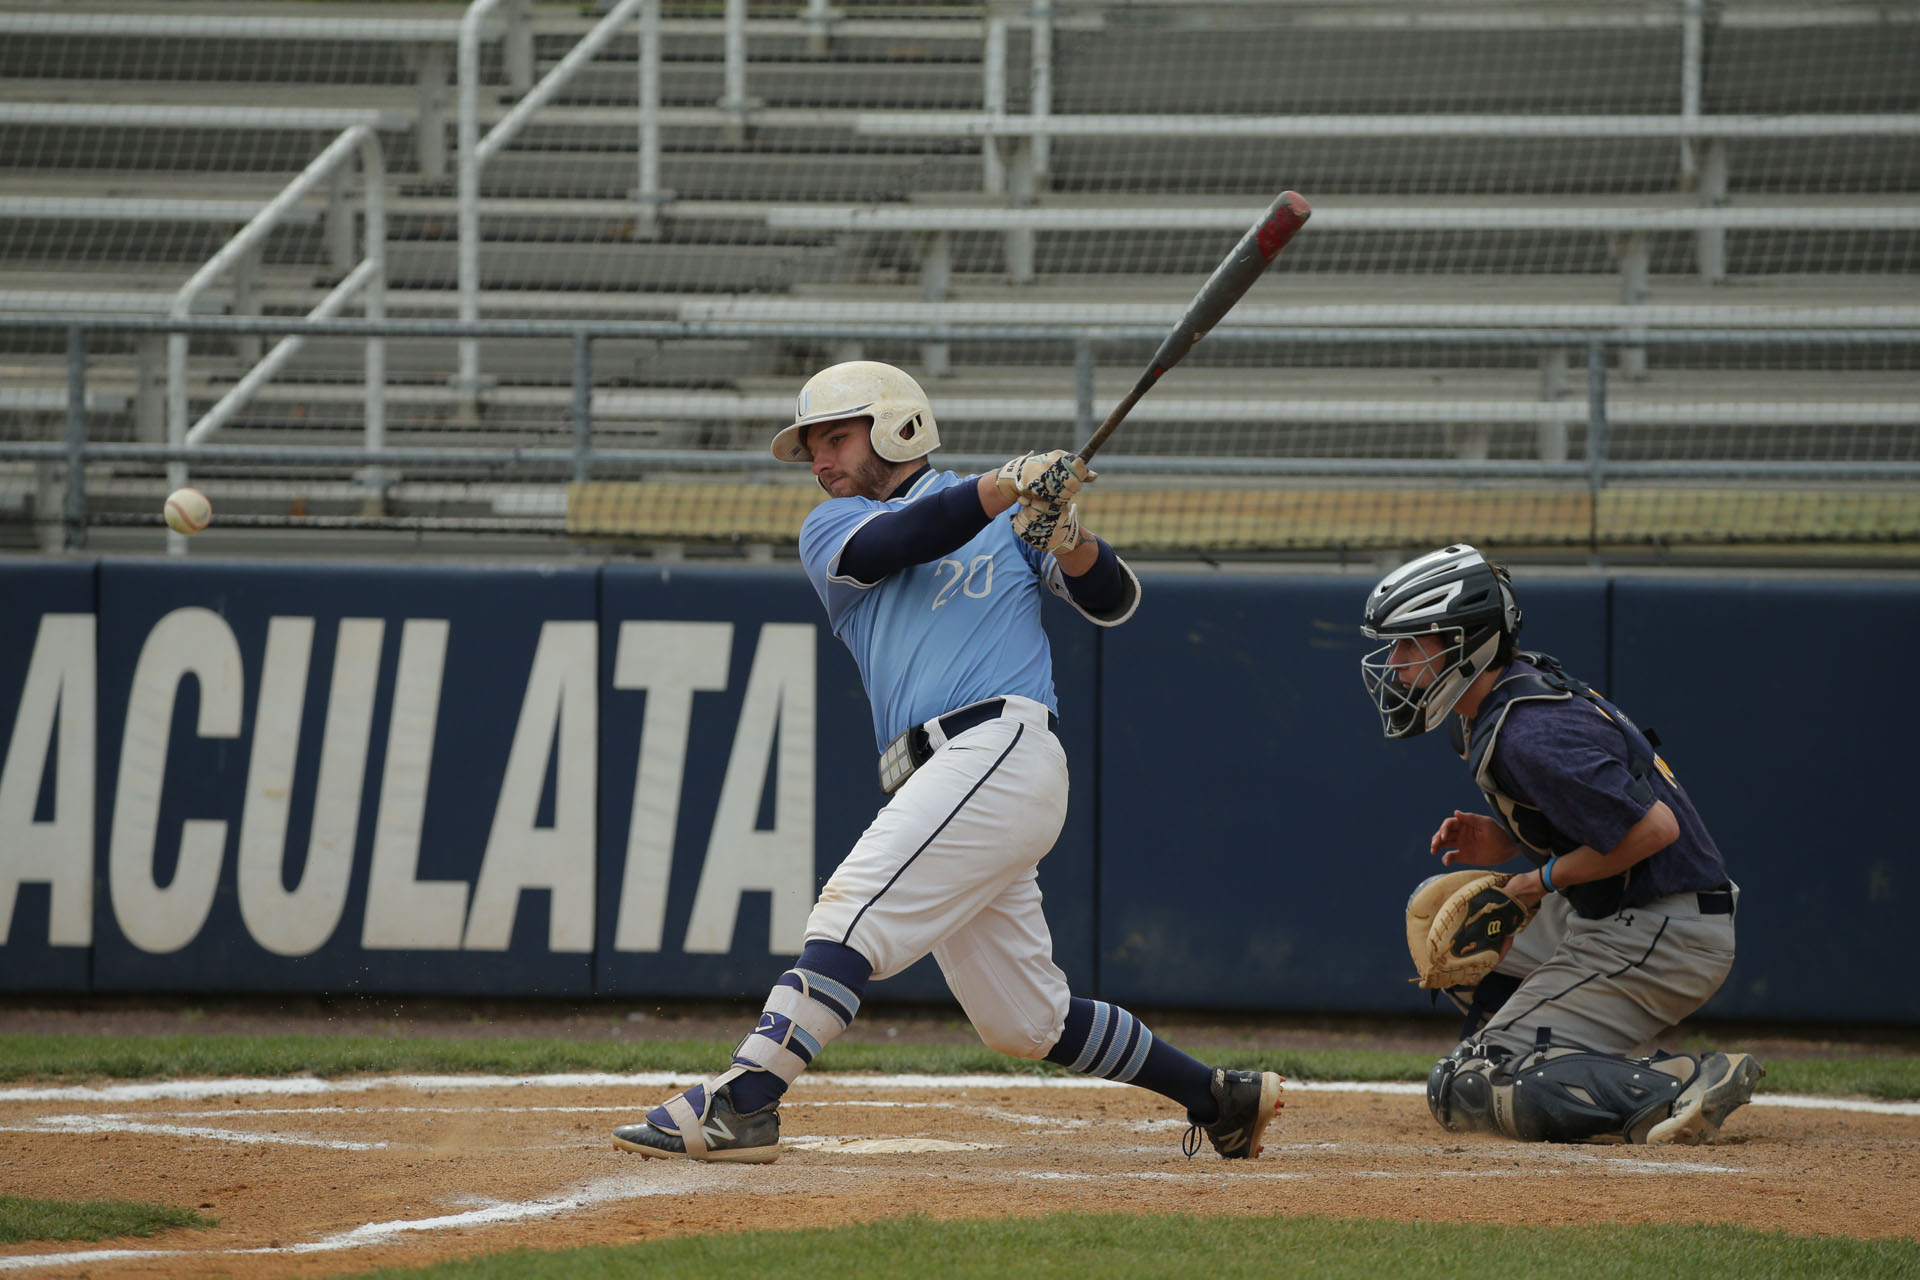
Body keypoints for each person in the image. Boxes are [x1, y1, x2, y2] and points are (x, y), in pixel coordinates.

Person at [612, 360, 1284, 1163]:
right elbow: (905, 538)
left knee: (849, 914)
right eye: (812, 445)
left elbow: (1112, 599)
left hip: (999, 748)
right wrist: (1006, 485)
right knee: (1025, 1021)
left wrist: (1068, 538)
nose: (820, 459)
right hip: (941, 777)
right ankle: (1220, 1099)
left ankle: (745, 1100)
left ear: (898, 427)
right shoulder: (833, 527)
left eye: (835, 437)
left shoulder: (1007, 515)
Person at [1359, 544, 1762, 1145]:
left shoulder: (1531, 733)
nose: (1395, 663)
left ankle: (1680, 1080)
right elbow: (1593, 821)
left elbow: (1655, 830)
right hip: (1621, 908)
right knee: (1455, 934)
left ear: (1466, 645)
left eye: (1411, 645)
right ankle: (1563, 1049)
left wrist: (1537, 881)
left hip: (1665, 928)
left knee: (1468, 1085)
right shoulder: (1497, 704)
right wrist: (1506, 840)